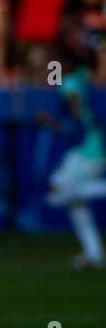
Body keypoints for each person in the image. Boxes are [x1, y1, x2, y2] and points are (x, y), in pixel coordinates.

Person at [43, 59, 106, 269]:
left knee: (55, 193)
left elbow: (76, 115)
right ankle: (93, 253)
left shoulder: (68, 83)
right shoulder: (79, 78)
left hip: (87, 149)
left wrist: (50, 121)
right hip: (89, 146)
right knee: (75, 204)